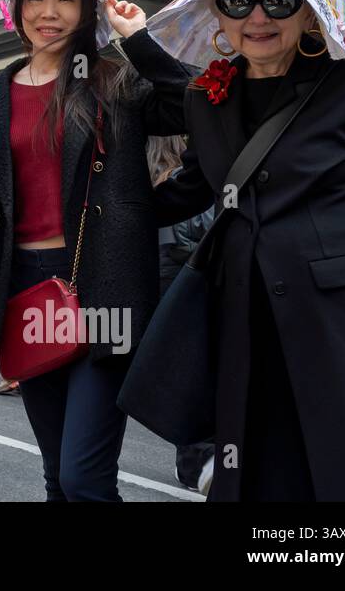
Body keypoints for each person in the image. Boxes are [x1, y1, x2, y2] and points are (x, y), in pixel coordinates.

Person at [140, 0, 345, 501]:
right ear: (216, 15)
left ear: (308, 8)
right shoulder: (206, 96)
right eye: (236, 1)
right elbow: (197, 188)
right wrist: (102, 215)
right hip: (248, 328)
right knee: (270, 481)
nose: (257, 17)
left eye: (278, 0)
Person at [0, 0, 191, 502]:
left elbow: (193, 107)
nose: (48, 14)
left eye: (66, 0)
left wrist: (138, 39)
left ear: (86, 12)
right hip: (24, 289)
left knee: (84, 476)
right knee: (55, 474)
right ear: (17, 10)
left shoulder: (113, 81)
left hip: (104, 284)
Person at [146, 135, 215, 493]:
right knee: (198, 370)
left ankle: (194, 460)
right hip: (187, 277)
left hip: (166, 281)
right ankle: (197, 459)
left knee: (184, 371)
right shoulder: (186, 180)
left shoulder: (156, 180)